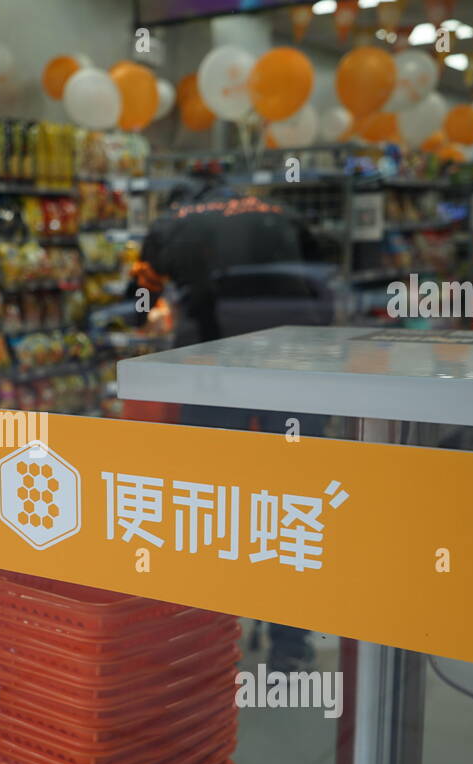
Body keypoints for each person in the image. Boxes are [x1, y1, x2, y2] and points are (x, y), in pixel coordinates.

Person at [123, 177, 334, 671]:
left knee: (212, 496)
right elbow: (322, 277)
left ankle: (207, 629)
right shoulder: (276, 211)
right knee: (292, 496)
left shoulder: (170, 224)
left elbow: (139, 297)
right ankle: (289, 641)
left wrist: (145, 321)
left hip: (214, 364)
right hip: (295, 358)